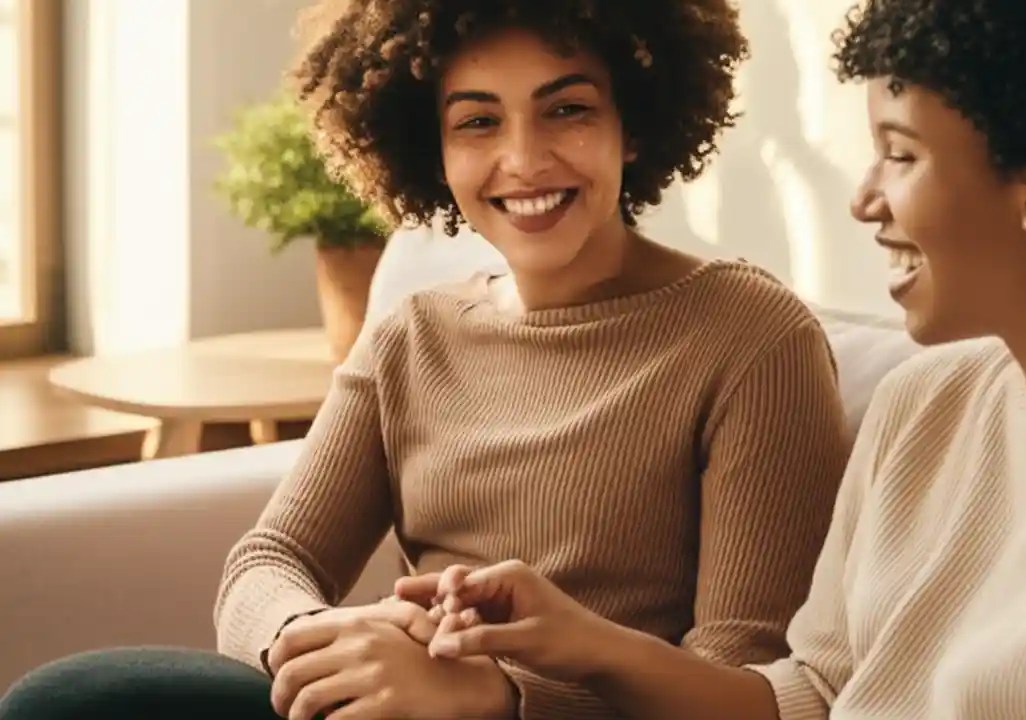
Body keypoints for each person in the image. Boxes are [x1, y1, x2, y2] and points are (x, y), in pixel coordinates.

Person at [395, 0, 1026, 717]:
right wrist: (578, 639)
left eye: (899, 155)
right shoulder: (928, 401)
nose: (864, 200)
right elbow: (808, 697)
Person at [0, 2, 853, 719]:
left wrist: (498, 693)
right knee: (77, 700)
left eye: (568, 109)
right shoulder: (415, 335)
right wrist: (326, 643)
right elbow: (269, 563)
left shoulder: (752, 337)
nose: (523, 160)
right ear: (431, 152)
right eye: (477, 121)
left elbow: (749, 693)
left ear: (633, 125)